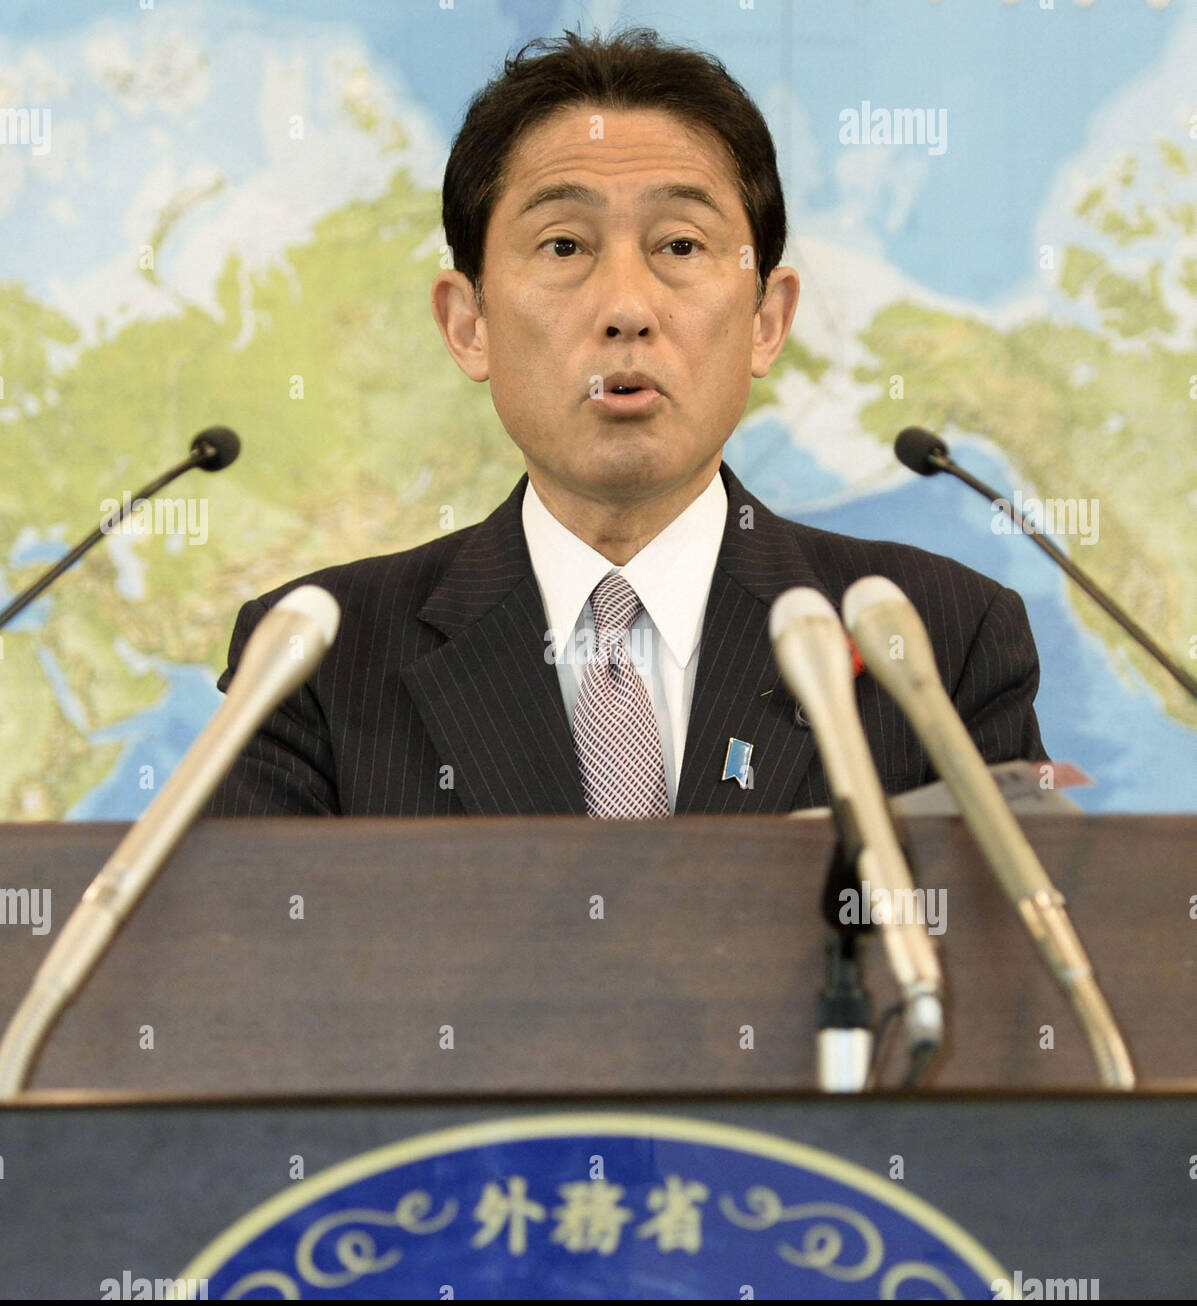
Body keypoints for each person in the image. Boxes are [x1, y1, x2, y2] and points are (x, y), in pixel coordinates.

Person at [205, 27, 1045, 819]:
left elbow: (1000, 961)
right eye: (563, 246)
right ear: (469, 324)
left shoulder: (936, 640)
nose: (625, 308)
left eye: (679, 246)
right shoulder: (314, 662)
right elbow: (252, 961)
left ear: (766, 319)